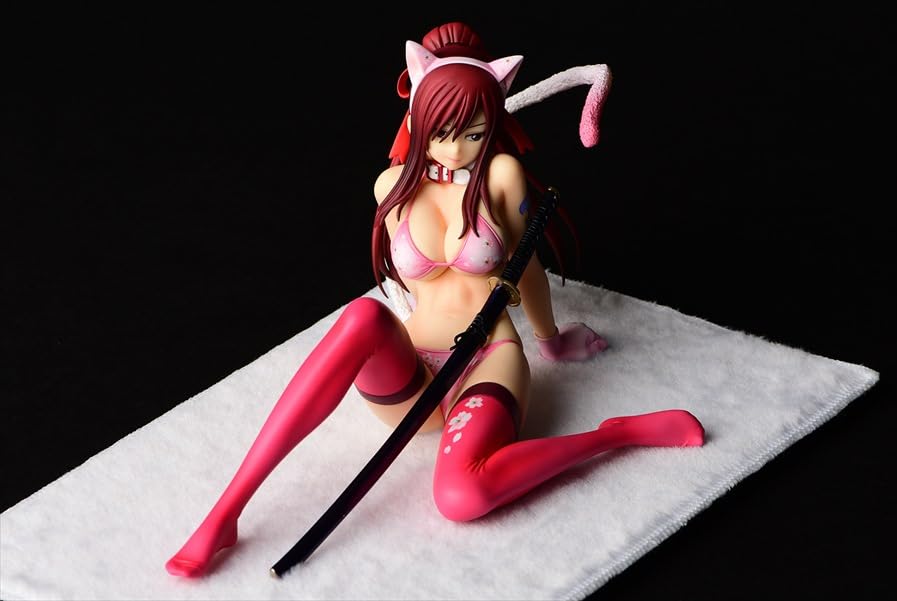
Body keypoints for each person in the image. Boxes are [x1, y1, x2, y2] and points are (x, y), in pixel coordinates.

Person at [165, 21, 704, 578]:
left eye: (473, 133)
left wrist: (550, 340)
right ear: (418, 120)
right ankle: (226, 512)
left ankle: (615, 435)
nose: (454, 147)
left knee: (462, 497)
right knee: (362, 315)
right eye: (441, 130)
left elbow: (527, 266)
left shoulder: (501, 175)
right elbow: (400, 282)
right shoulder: (392, 186)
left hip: (484, 362)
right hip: (415, 373)